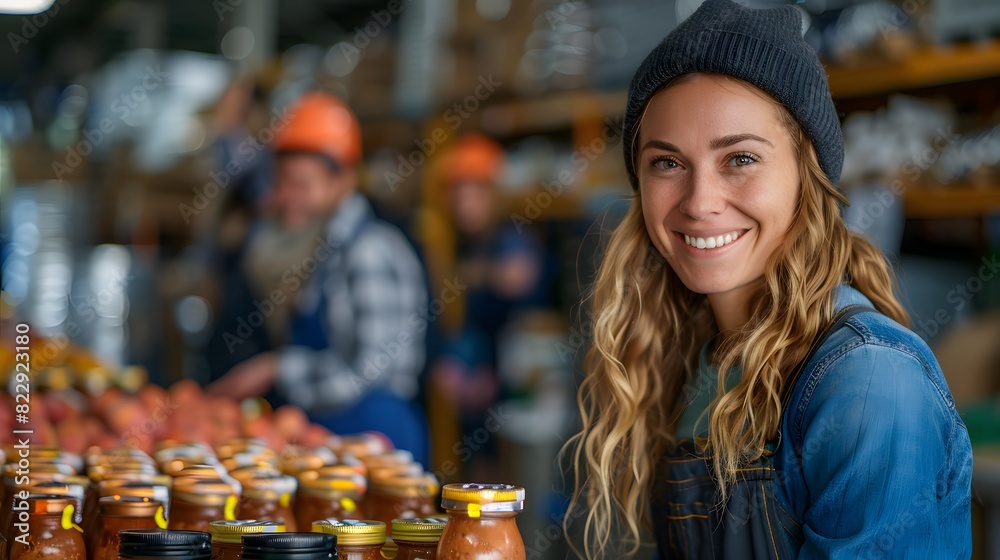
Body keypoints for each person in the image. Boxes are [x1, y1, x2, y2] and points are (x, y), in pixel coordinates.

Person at [566, 0, 973, 558]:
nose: (700, 202)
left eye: (740, 159)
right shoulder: (690, 359)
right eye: (667, 162)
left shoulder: (868, 379)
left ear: (807, 176)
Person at [207, 91, 430, 465]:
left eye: (302, 184)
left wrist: (277, 368)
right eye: (283, 182)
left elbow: (365, 373)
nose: (288, 197)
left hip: (377, 438)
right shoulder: (322, 248)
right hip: (329, 438)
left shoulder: (369, 252)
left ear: (343, 180)